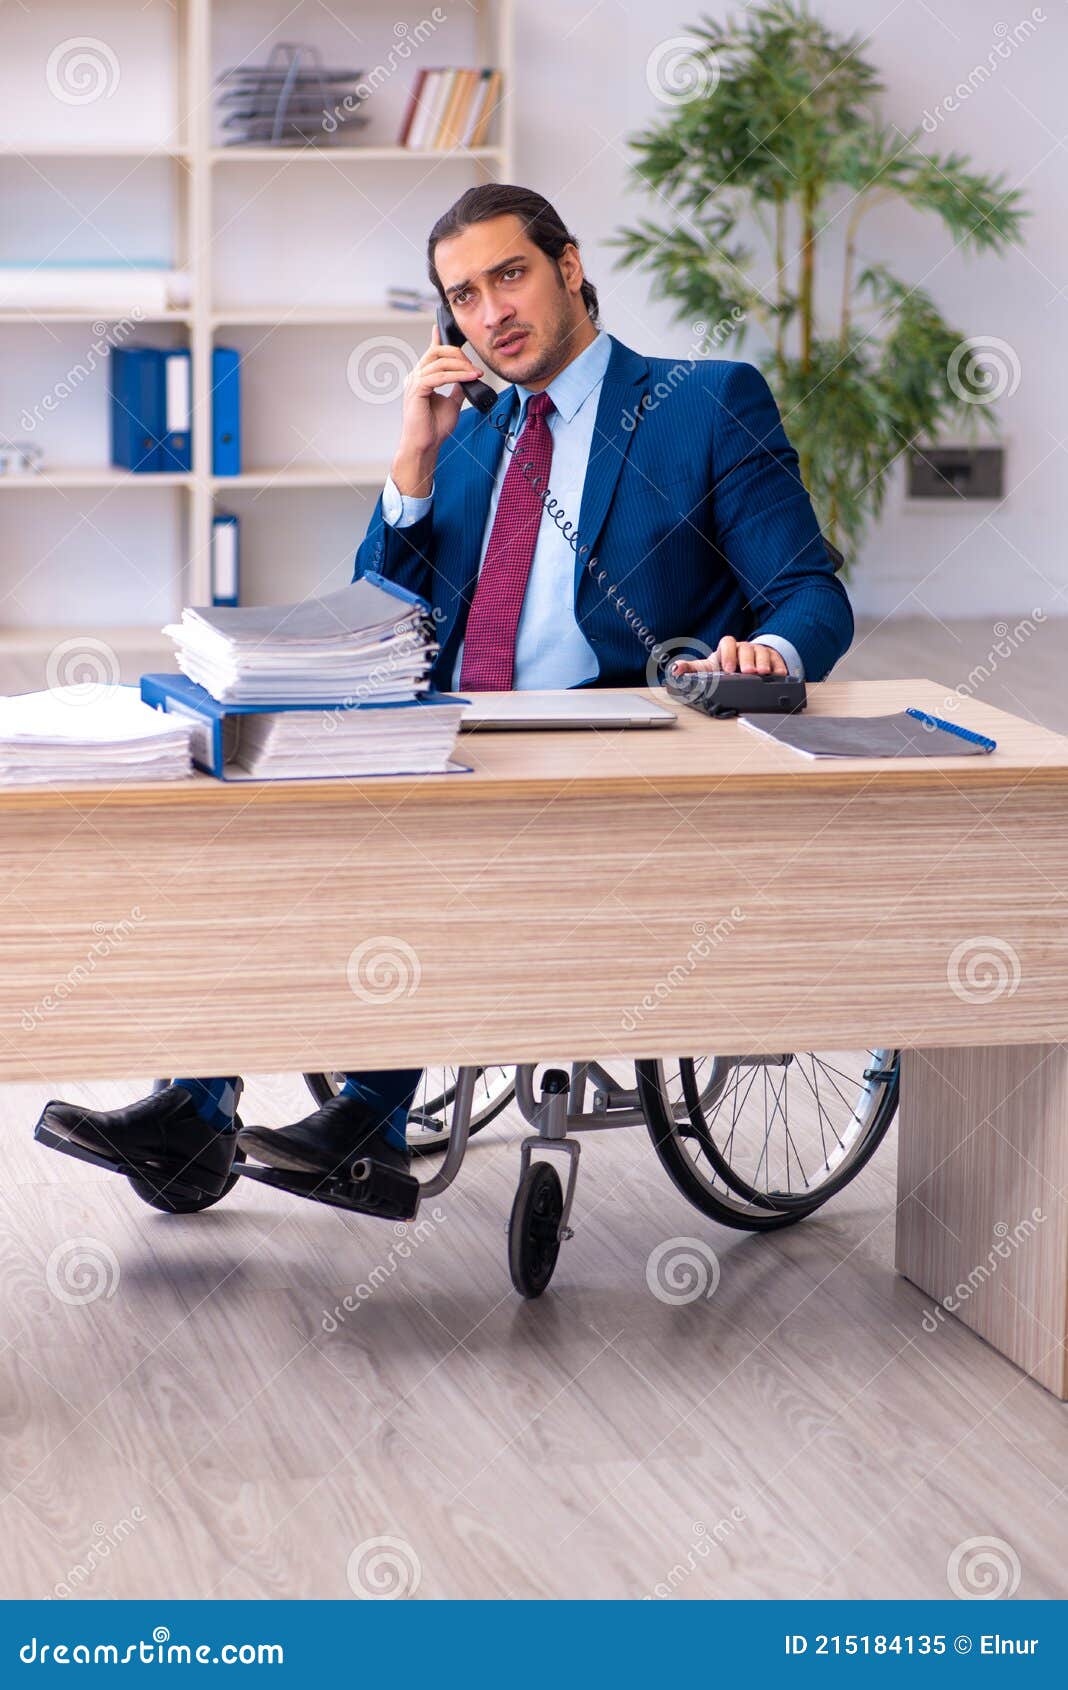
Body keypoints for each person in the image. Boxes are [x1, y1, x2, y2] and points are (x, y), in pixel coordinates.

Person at [34, 182, 853, 1211]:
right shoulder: (469, 430)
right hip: (452, 732)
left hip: (603, 753)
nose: (490, 313)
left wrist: (770, 653)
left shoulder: (701, 402)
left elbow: (810, 591)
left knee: (422, 843)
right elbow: (378, 614)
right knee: (248, 820)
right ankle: (195, 1109)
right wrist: (414, 459)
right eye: (462, 296)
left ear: (568, 266)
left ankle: (370, 1122)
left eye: (508, 276)